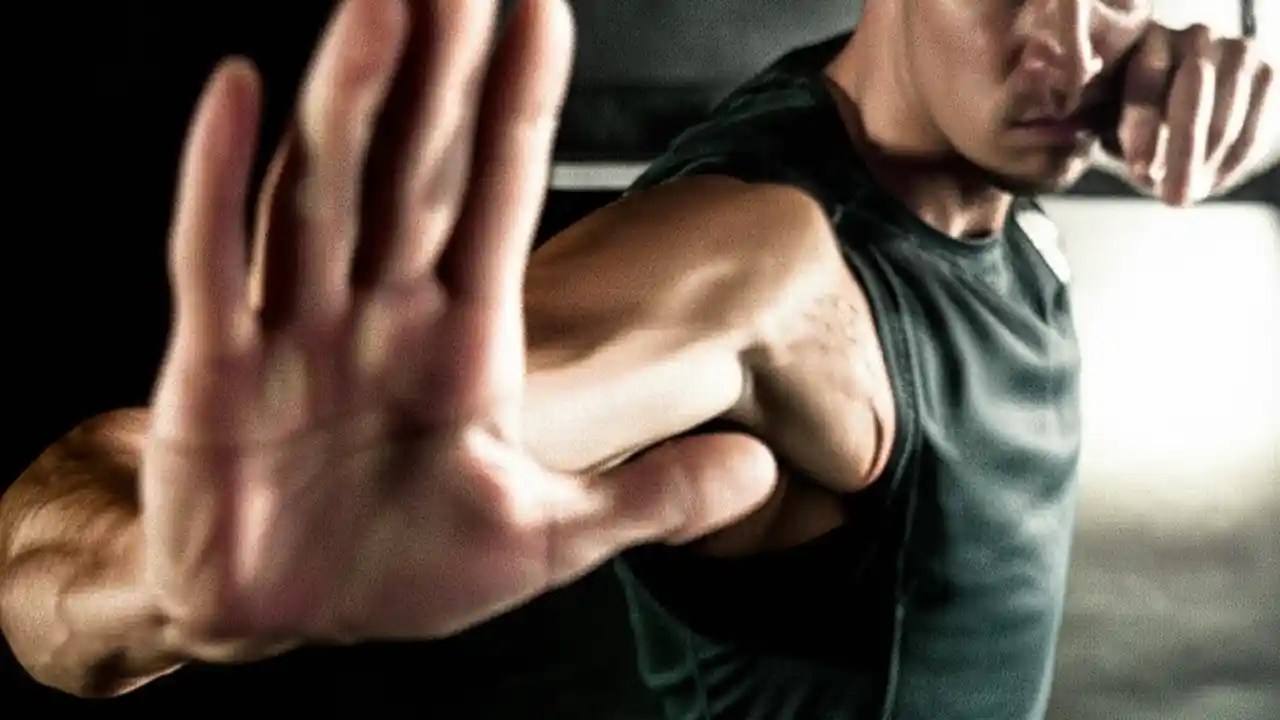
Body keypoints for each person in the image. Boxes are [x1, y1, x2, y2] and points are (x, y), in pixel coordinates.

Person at [0, 0, 1274, 716]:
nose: (1068, 46)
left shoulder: (984, 142)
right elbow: (53, 572)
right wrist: (162, 580)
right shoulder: (761, 261)